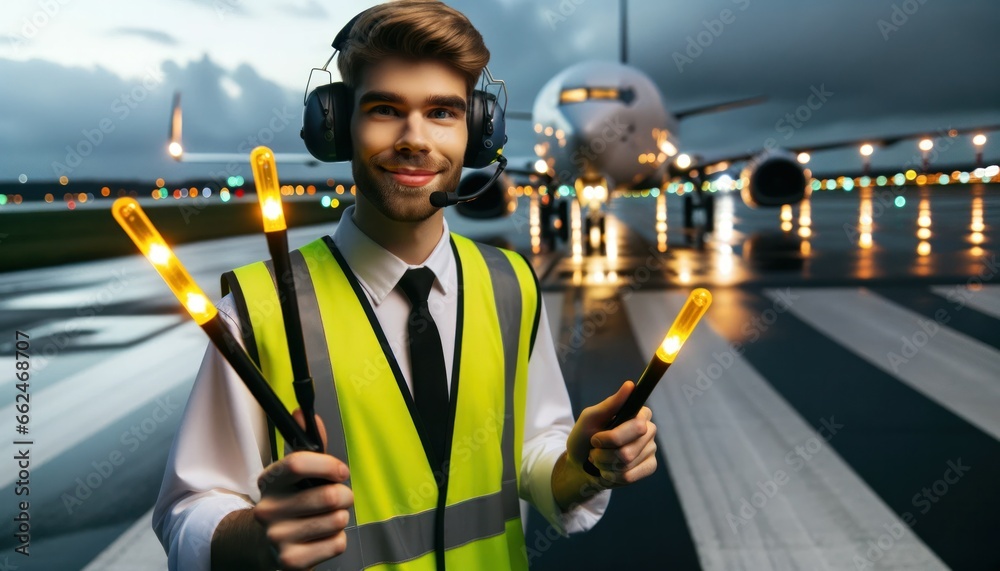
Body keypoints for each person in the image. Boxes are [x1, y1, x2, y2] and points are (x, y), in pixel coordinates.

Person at [152, 2, 658, 569]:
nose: (416, 139)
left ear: (479, 132)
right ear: (338, 125)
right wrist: (257, 536)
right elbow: (187, 510)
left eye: (442, 112)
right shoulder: (261, 307)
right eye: (386, 109)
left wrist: (582, 464)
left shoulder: (511, 284)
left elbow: (531, 459)